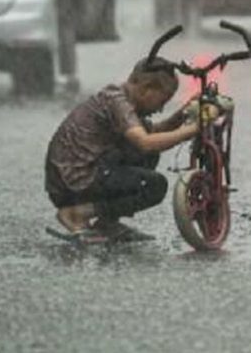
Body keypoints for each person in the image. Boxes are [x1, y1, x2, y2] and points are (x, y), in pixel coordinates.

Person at [45, 57, 206, 242]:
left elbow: (153, 132)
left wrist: (183, 114)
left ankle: (106, 223)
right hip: (73, 182)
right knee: (155, 186)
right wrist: (191, 130)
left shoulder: (121, 99)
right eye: (162, 100)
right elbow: (146, 141)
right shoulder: (117, 102)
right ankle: (76, 214)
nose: (161, 108)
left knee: (146, 155)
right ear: (146, 88)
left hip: (72, 178)